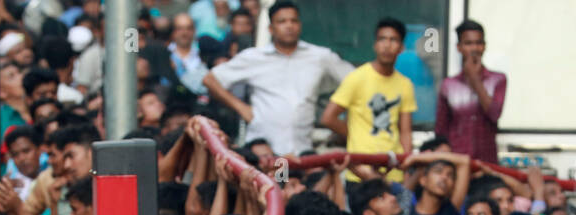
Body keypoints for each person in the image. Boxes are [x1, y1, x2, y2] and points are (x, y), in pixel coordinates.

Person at [203, 1, 352, 155]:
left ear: (300, 25)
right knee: (277, 176)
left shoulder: (320, 56)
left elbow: (357, 80)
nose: (289, 26)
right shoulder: (254, 57)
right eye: (282, 21)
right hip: (263, 151)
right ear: (271, 29)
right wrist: (242, 108)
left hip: (303, 151)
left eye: (293, 21)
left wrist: (343, 117)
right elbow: (210, 80)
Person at [321, 19, 415, 174]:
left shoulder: (405, 84)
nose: (387, 45)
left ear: (401, 48)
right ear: (375, 45)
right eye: (382, 39)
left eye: (393, 40)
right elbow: (328, 118)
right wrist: (356, 134)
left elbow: (405, 132)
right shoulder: (357, 77)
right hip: (360, 169)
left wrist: (406, 163)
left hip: (393, 169)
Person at [434, 20, 506, 164]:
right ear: (459, 47)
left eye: (478, 43)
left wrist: (475, 80)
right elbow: (441, 130)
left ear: (484, 46)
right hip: (458, 164)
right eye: (468, 43)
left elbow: (494, 114)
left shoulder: (498, 79)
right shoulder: (449, 85)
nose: (474, 48)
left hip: (487, 163)